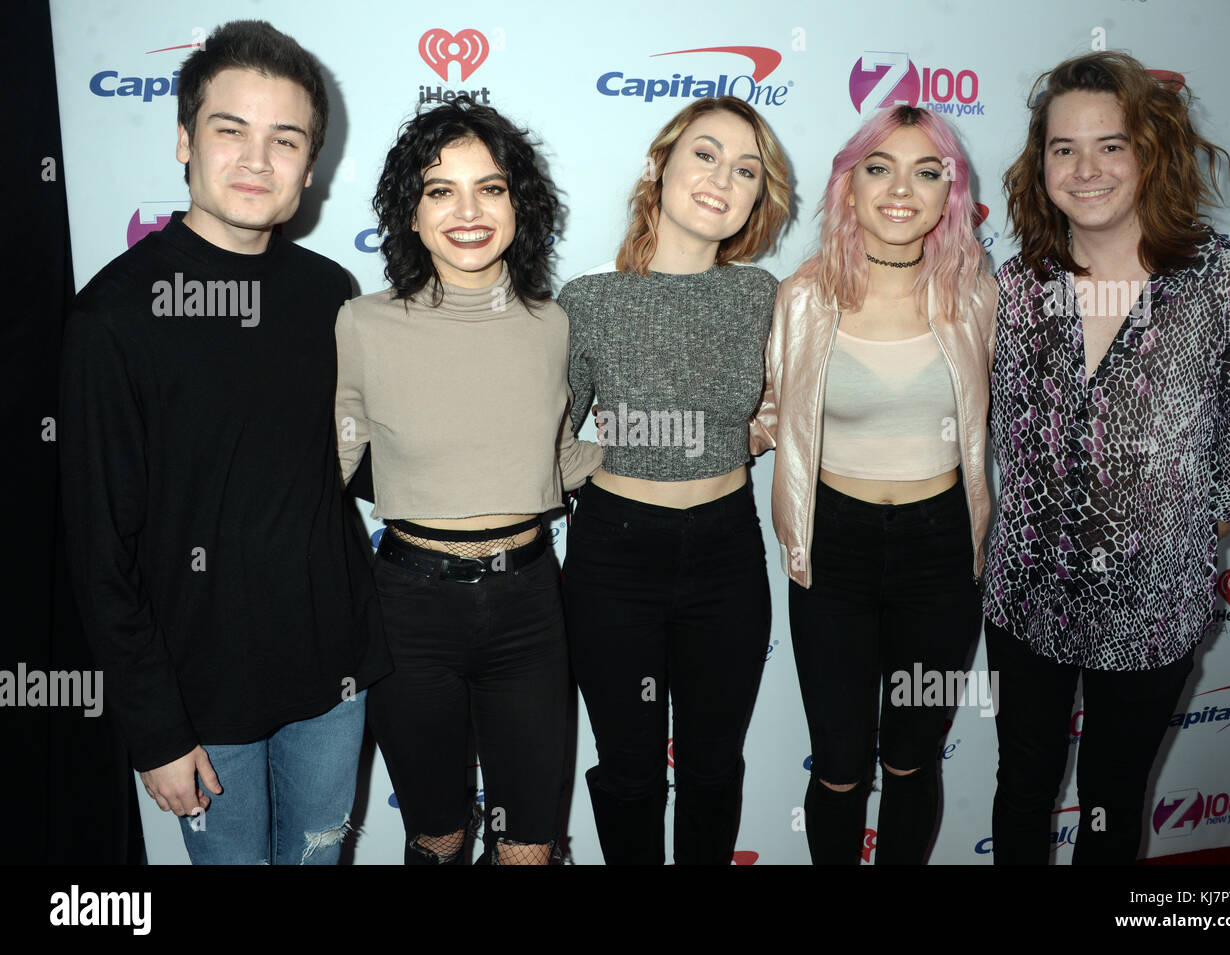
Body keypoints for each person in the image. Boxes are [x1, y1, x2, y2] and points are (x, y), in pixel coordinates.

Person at [60, 20, 390, 865]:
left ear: (310, 167)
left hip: (333, 684)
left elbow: (354, 463)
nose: (257, 159)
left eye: (285, 139)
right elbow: (100, 548)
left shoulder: (327, 291)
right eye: (229, 129)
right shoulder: (114, 316)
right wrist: (155, 728)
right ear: (183, 139)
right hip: (201, 705)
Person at [986, 50, 1230, 864]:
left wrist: (1196, 513)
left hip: (1152, 609)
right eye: (1063, 148)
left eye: (1110, 145)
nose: (1085, 169)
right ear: (1039, 161)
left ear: (1150, 153)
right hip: (1026, 596)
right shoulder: (1015, 287)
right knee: (1021, 783)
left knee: (1111, 801)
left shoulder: (1223, 283)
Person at [336, 97, 601, 865]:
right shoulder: (363, 323)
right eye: (439, 189)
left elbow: (550, 456)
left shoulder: (552, 325)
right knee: (439, 835)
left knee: (528, 846)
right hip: (409, 611)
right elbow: (333, 462)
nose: (468, 210)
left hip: (527, 606)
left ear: (520, 203)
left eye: (491, 187)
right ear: (410, 216)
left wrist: (661, 458)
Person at [751, 106, 996, 865]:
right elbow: (762, 415)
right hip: (834, 549)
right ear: (848, 188)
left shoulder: (978, 297)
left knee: (912, 753)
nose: (901, 189)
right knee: (838, 761)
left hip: (941, 550)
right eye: (879, 168)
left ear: (949, 196)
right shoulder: (800, 299)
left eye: (927, 172)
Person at [560, 95, 791, 865]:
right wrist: (600, 463)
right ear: (661, 164)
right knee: (629, 771)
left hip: (727, 553)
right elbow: (545, 436)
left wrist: (733, 444)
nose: (723, 177)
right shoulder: (589, 300)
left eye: (746, 169)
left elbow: (785, 407)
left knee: (713, 768)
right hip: (613, 560)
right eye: (706, 153)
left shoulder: (762, 295)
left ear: (760, 196)